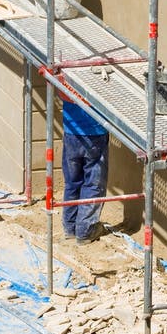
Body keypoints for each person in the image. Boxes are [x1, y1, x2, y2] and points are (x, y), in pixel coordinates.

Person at [61, 85, 109, 246]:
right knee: (93, 184)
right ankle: (85, 231)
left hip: (71, 133)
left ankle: (70, 228)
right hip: (95, 133)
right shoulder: (98, 73)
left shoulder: (65, 68)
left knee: (73, 182)